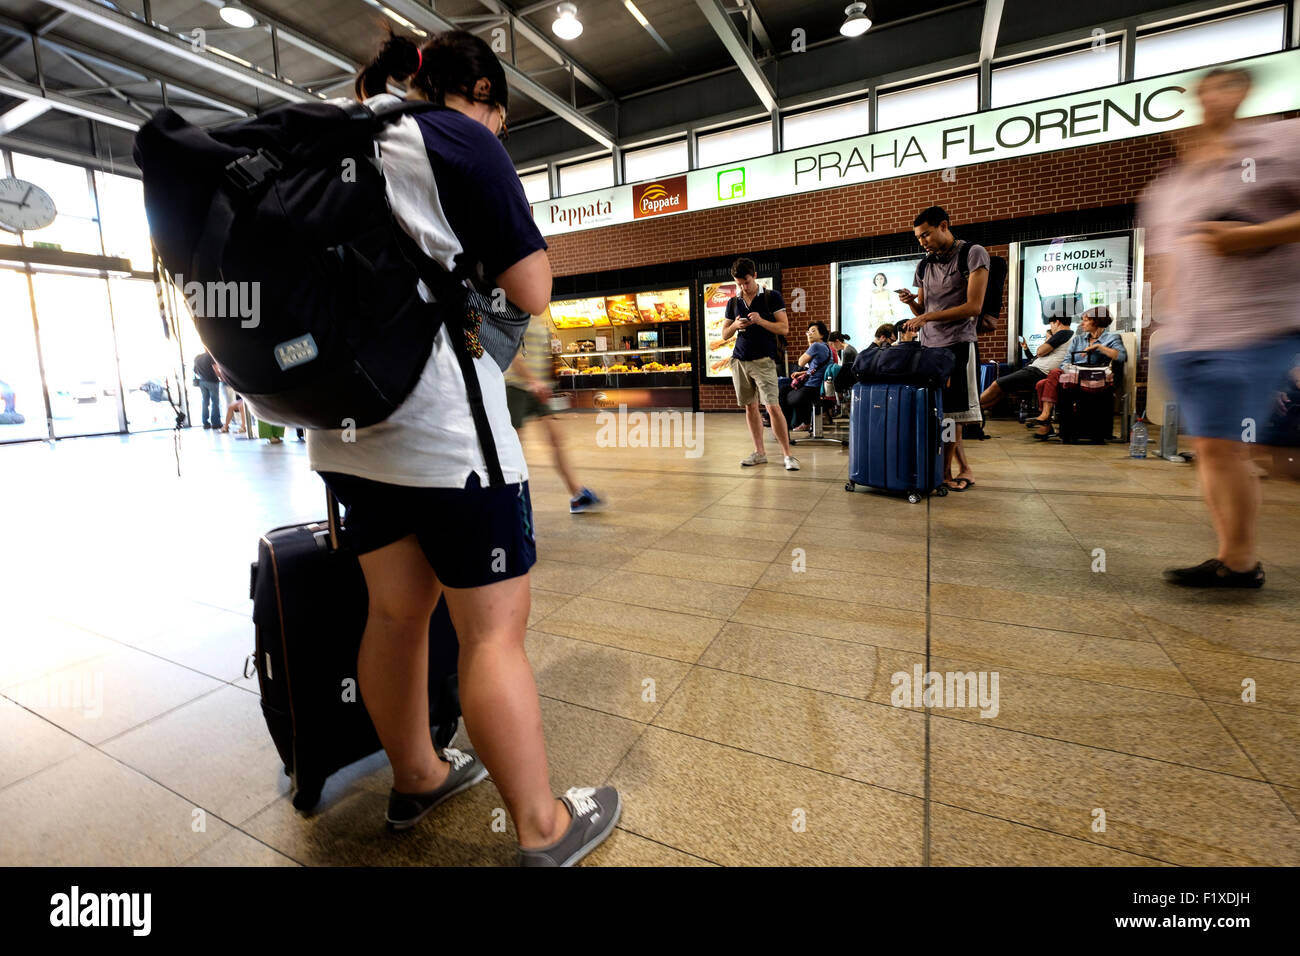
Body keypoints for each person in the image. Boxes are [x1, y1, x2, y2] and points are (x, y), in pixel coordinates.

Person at [306, 29, 619, 865]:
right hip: (450, 437)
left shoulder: (340, 135)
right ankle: (544, 827)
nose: (497, 130)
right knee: (491, 634)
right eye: (499, 115)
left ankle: (416, 772)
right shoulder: (460, 142)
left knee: (395, 613)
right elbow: (533, 291)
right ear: (479, 95)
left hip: (347, 435)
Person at [1140, 66, 1300, 588]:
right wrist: (1171, 323)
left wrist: (1256, 236)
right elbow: (1168, 263)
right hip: (1197, 336)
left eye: (1227, 87)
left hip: (1266, 326)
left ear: (1247, 92)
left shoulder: (1282, 142)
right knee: (1216, 446)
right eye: (1206, 92)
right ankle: (1237, 560)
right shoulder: (1171, 186)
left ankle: (1239, 560)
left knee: (1270, 452)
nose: (1215, 101)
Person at [898, 206, 988, 491]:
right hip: (930, 347)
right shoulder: (924, 265)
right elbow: (923, 307)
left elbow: (973, 306)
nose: (922, 241)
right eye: (918, 237)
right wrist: (912, 304)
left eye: (926, 234)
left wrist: (925, 317)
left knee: (953, 414)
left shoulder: (973, 254)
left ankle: (946, 473)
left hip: (958, 344)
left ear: (944, 226)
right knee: (940, 413)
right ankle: (955, 469)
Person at [505, 310, 602, 513]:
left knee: (556, 438)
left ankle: (577, 495)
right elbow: (510, 352)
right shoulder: (510, 308)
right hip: (515, 386)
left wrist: (547, 381)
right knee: (514, 446)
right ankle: (508, 498)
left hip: (537, 387)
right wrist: (533, 380)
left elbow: (541, 353)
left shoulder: (537, 312)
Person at [710, 257, 799, 470]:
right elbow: (724, 333)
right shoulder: (733, 302)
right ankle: (759, 452)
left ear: (755, 276)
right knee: (750, 407)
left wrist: (760, 321)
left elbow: (784, 328)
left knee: (772, 406)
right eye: (738, 283)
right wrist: (736, 326)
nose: (743, 287)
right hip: (740, 361)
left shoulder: (771, 297)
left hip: (764, 361)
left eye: (746, 282)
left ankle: (788, 455)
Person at [1028, 307, 1125, 440]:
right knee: (1043, 382)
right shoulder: (1077, 340)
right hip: (1073, 376)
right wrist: (1072, 370)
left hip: (1094, 378)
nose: (1081, 324)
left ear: (1096, 321)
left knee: (1044, 383)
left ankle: (1046, 422)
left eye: (1085, 321)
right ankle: (1047, 420)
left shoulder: (1112, 338)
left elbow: (1120, 356)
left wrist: (1099, 347)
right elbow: (1065, 362)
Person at [980, 315, 1072, 414]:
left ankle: (971, 408)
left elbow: (1040, 352)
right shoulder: (1070, 336)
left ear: (1057, 322)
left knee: (996, 384)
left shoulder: (1062, 333)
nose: (1051, 329)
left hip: (1037, 371)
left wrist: (1047, 342)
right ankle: (977, 411)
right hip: (1041, 372)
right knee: (1002, 391)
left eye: (1051, 325)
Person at [780, 321, 833, 433]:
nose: (809, 333)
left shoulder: (816, 346)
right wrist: (801, 374)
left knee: (783, 393)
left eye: (813, 331)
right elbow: (816, 368)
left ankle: (787, 425)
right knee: (785, 389)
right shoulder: (827, 348)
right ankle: (798, 422)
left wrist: (810, 343)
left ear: (822, 335)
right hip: (820, 387)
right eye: (808, 332)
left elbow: (800, 362)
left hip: (811, 388)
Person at [192, 350, 222, 429]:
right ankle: (215, 423)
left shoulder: (197, 357)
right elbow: (216, 369)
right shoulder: (210, 356)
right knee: (215, 402)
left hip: (202, 382)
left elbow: (195, 370)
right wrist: (222, 377)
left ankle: (205, 423)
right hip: (212, 381)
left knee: (205, 402)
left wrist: (203, 375)